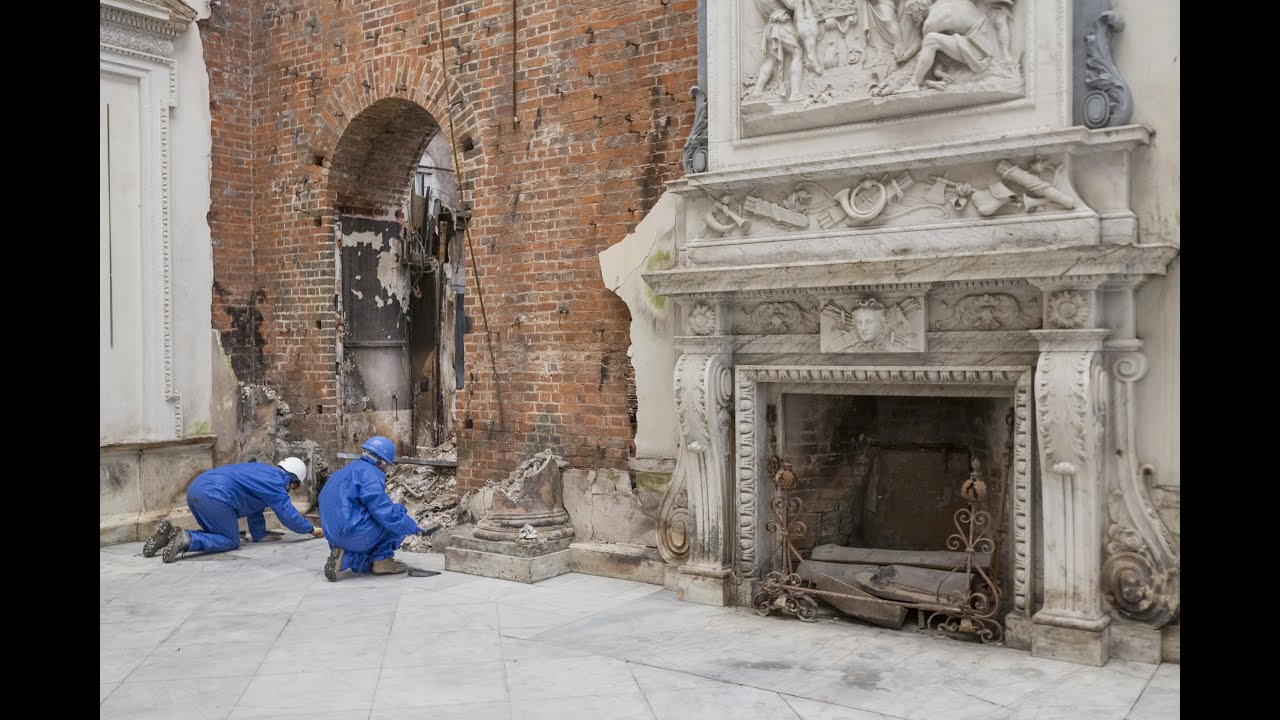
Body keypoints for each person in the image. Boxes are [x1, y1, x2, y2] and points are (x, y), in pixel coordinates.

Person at [142, 457, 323, 563]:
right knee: (230, 541)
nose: (292, 490)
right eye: (295, 486)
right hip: (216, 495)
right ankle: (187, 540)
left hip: (196, 489)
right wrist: (311, 529)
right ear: (293, 479)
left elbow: (256, 506)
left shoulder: (263, 471)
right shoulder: (276, 483)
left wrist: (259, 534)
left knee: (215, 535)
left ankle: (170, 536)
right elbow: (287, 515)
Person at [319, 436, 432, 581]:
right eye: (386, 465)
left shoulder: (340, 473)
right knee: (398, 513)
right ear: (380, 461)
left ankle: (345, 558)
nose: (386, 469)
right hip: (353, 534)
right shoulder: (368, 473)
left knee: (366, 562)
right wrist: (411, 527)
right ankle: (382, 560)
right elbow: (384, 512)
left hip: (333, 536)